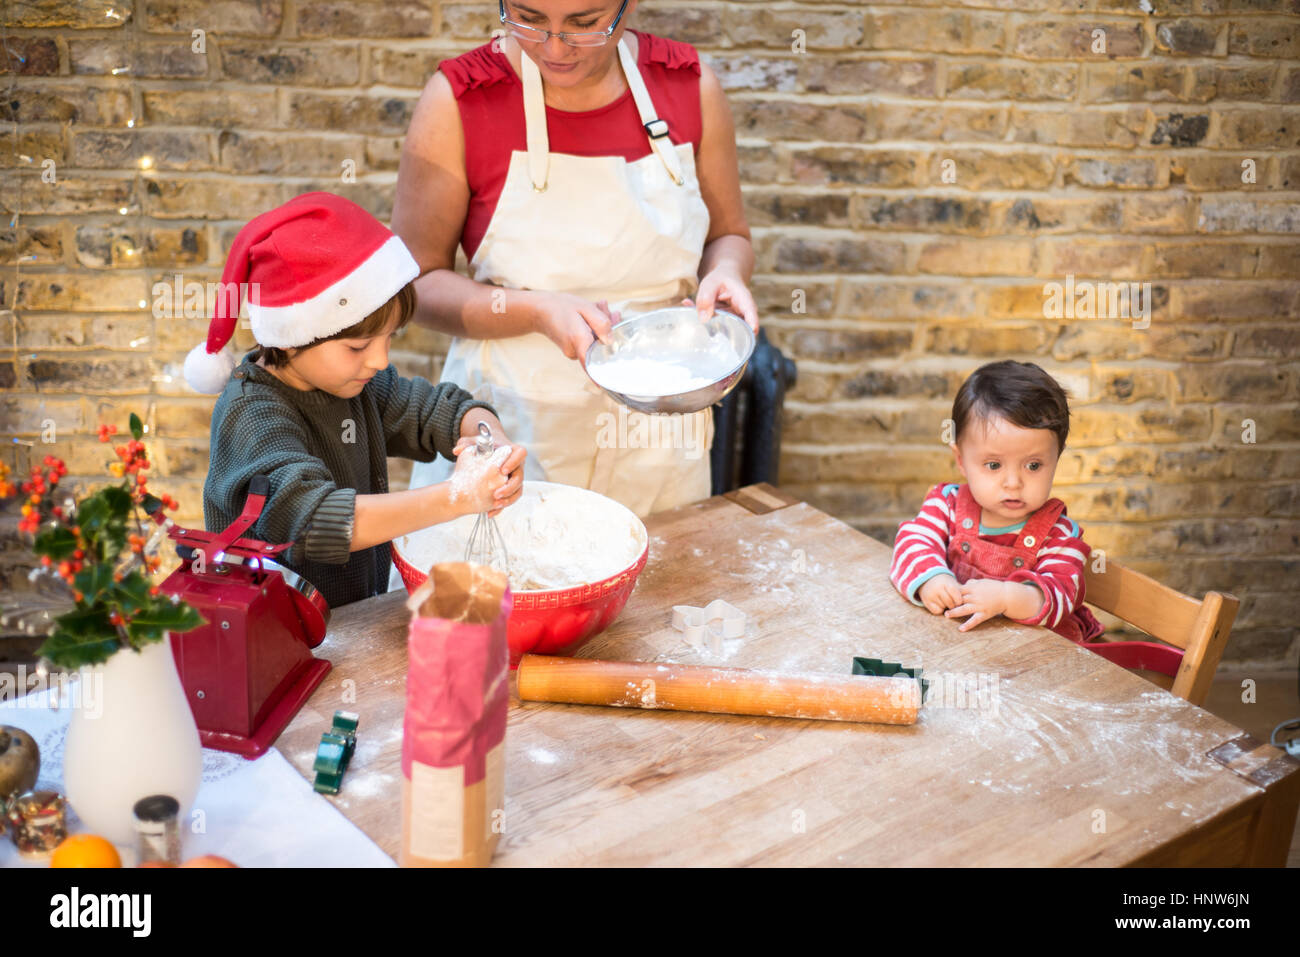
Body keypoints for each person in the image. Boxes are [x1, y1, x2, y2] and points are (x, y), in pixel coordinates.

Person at [391, 0, 757, 518]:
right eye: (528, 19)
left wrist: (725, 272)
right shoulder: (461, 99)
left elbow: (730, 236)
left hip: (661, 435)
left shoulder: (689, 86)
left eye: (584, 24)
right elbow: (418, 283)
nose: (554, 47)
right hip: (512, 426)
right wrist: (538, 311)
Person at [185, 192, 527, 608]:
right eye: (358, 345)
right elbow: (317, 521)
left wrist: (492, 442)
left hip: (349, 621)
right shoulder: (252, 416)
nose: (380, 360)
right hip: (269, 636)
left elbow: (439, 411)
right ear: (293, 339)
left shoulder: (355, 384)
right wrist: (455, 496)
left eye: (389, 339)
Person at [889, 360, 1104, 641]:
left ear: (1056, 459)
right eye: (993, 465)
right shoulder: (947, 505)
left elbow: (1061, 594)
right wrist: (932, 578)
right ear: (961, 461)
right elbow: (912, 541)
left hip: (1036, 661)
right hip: (965, 648)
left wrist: (1007, 597)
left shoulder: (1059, 535)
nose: (1013, 483)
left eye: (1034, 465)